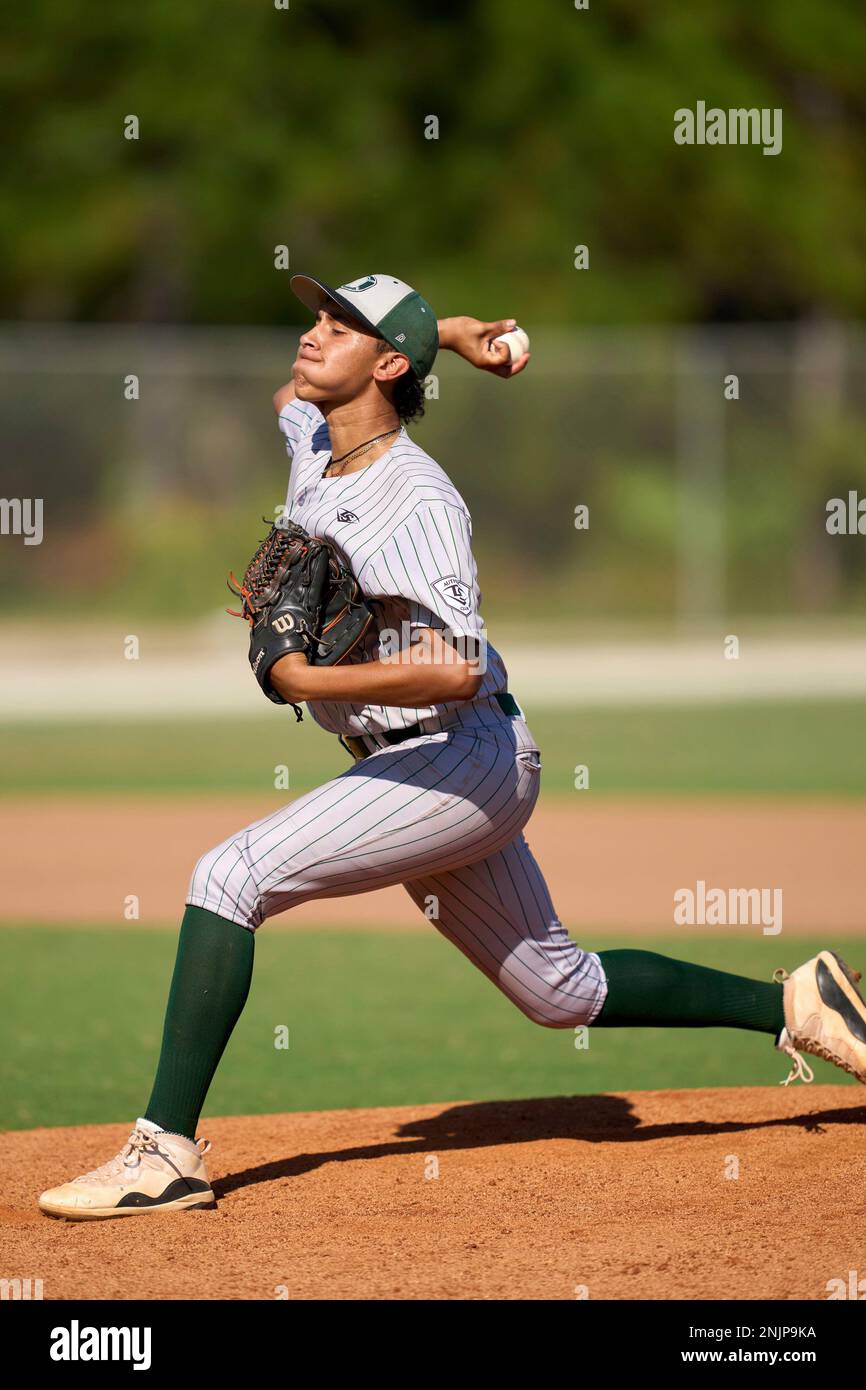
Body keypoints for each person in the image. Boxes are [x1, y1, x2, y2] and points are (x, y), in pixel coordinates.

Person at [38, 273, 866, 1220]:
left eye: (341, 325)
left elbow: (458, 666)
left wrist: (308, 683)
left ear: (385, 364)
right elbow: (287, 397)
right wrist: (453, 332)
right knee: (560, 989)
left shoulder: (418, 501)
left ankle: (164, 1154)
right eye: (317, 314)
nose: (313, 335)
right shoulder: (317, 435)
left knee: (228, 875)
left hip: (461, 754)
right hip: (418, 763)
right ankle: (798, 1001)